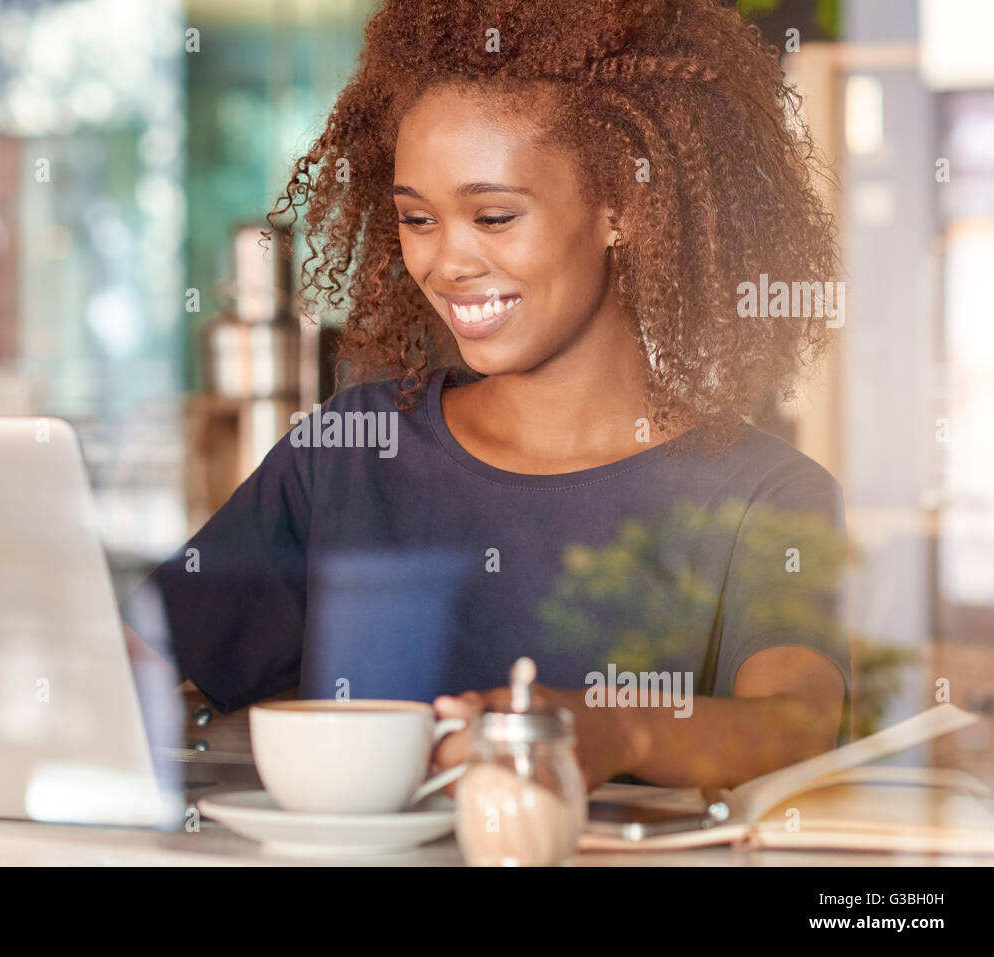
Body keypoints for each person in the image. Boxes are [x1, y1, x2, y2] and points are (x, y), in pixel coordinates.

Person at [125, 0, 850, 792]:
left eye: (494, 215)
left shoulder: (763, 493)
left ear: (624, 206)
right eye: (417, 218)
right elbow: (129, 661)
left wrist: (608, 727)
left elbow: (798, 724)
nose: (446, 261)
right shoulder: (349, 452)